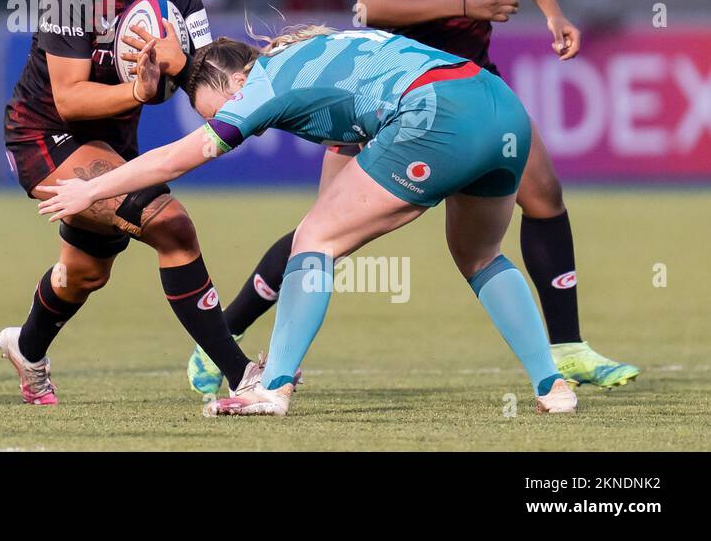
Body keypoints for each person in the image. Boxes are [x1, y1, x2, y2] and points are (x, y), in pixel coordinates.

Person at [187, 0, 639, 395]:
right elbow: (371, 7)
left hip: (468, 86)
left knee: (545, 196)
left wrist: (552, 10)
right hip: (384, 91)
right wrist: (469, 5)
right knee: (320, 235)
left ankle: (568, 348)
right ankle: (221, 341)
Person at [39, 27, 579, 416]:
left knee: (313, 240)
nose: (233, 120)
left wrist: (94, 187)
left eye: (223, 107)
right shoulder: (321, 57)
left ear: (239, 76)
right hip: (501, 105)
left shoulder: (265, 81)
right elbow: (332, 202)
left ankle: (271, 389)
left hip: (436, 111)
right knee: (480, 255)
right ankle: (553, 385)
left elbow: (181, 157)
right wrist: (296, 312)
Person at [0, 0, 261, 404]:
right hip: (46, 136)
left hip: (113, 142)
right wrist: (138, 88)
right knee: (173, 225)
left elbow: (204, 88)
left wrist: (224, 84)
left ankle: (27, 347)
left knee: (84, 274)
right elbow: (69, 101)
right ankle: (241, 376)